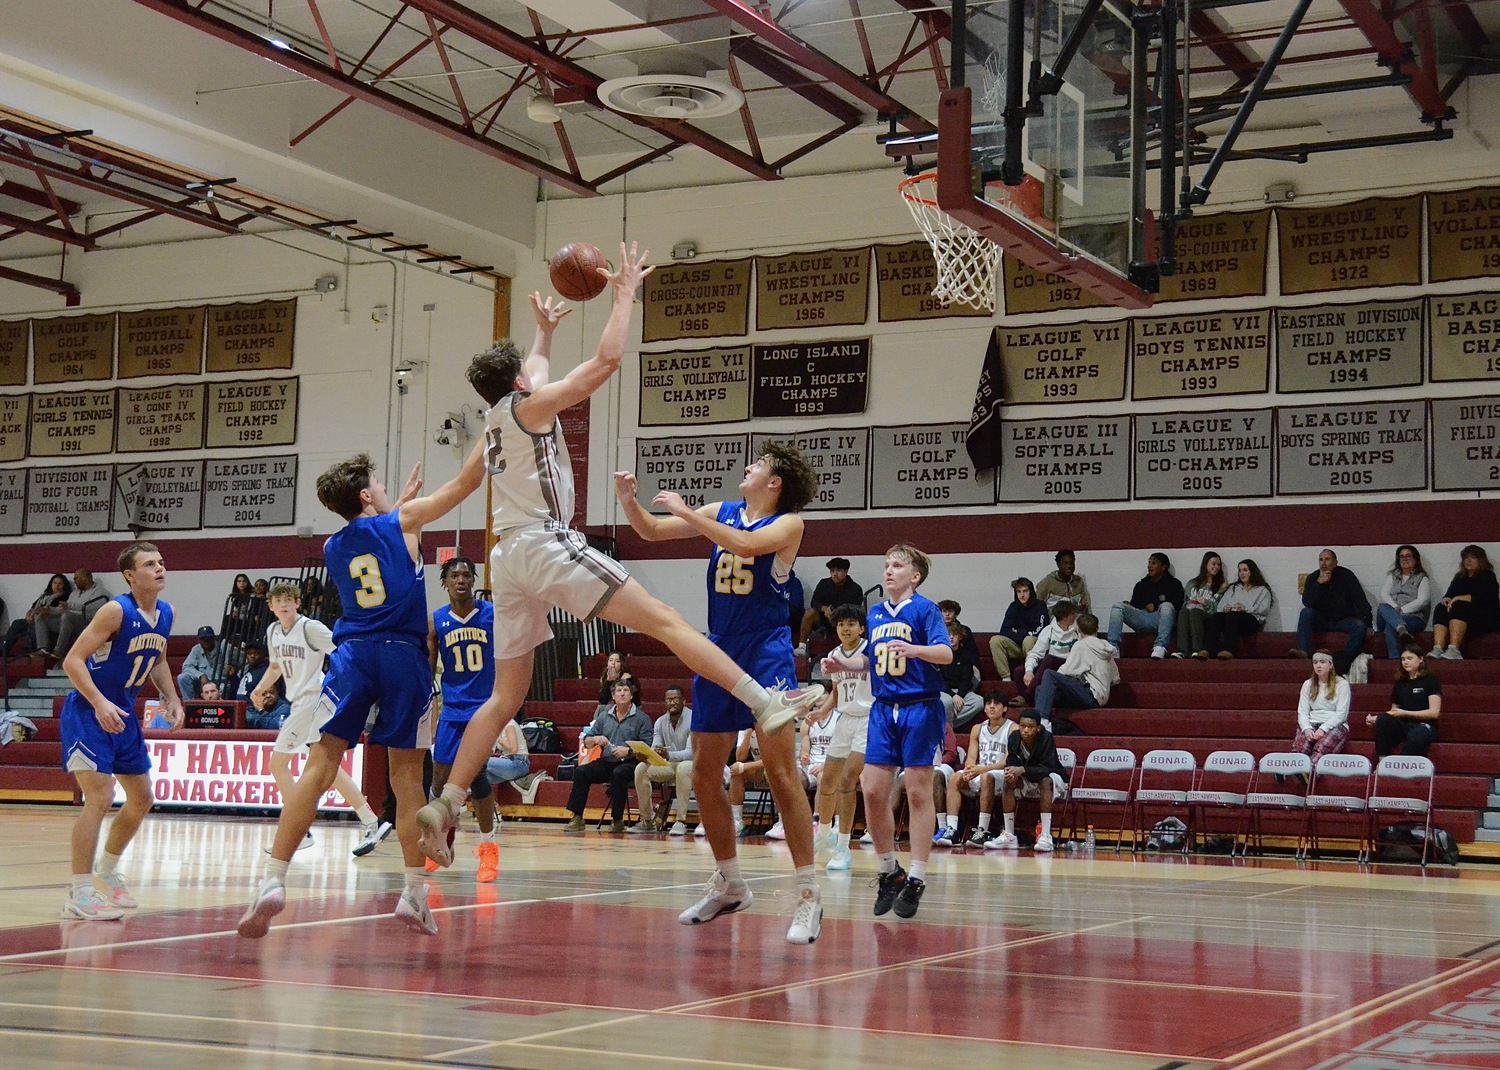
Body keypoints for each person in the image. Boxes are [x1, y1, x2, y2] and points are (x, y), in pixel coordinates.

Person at [414, 248, 823, 922]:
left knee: (505, 694)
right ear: (519, 381)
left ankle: (450, 800)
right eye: (529, 367)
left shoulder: (493, 420)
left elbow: (537, 372)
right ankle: (766, 702)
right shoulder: (534, 406)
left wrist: (544, 330)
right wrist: (624, 292)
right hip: (545, 544)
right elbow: (602, 365)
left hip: (504, 560)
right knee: (663, 618)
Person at [236, 441, 487, 940]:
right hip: (403, 656)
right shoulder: (404, 520)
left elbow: (375, 540)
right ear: (366, 494)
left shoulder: (333, 546)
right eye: (379, 483)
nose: (387, 489)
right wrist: (494, 424)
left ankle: (273, 879)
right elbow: (467, 482)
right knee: (407, 777)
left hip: (353, 654)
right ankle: (414, 893)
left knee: (321, 765)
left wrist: (394, 510)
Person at [611, 437, 826, 944]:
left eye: (758, 465)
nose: (746, 468)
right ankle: (729, 881)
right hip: (718, 648)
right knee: (705, 771)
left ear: (774, 483)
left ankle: (809, 896)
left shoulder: (789, 522)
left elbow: (746, 546)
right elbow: (651, 530)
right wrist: (628, 501)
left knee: (780, 771)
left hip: (766, 649)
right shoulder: (723, 509)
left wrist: (690, 512)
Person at [58, 542, 184, 920]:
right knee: (99, 797)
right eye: (149, 564)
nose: (159, 568)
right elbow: (72, 660)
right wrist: (99, 702)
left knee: (142, 797)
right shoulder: (115, 610)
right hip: (88, 711)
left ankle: (108, 874)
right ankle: (79, 892)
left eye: (161, 562)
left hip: (123, 714)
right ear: (130, 575)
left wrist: (171, 697)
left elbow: (157, 658)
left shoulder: (166, 612)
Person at [861, 543, 953, 920]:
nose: (888, 571)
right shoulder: (875, 613)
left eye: (896, 566)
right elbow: (869, 659)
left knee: (917, 792)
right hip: (883, 709)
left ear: (914, 576)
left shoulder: (926, 610)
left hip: (919, 706)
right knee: (871, 790)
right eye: (885, 565)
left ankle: (916, 876)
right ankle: (888, 870)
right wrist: (842, 663)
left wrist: (916, 650)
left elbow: (945, 654)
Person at [426, 556, 502, 880]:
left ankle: (488, 849)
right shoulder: (436, 621)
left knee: (477, 776)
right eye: (454, 575)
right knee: (440, 782)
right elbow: (428, 670)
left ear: (473, 580)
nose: (461, 579)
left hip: (483, 709)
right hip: (452, 708)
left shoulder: (491, 614)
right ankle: (443, 839)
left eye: (466, 575)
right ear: (445, 582)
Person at [814, 604, 873, 872]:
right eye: (840, 624)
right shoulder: (834, 654)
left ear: (861, 627)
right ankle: (824, 835)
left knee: (848, 780)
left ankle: (843, 847)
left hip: (868, 721)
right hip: (844, 721)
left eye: (851, 623)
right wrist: (821, 713)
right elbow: (837, 693)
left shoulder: (871, 650)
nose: (845, 628)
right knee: (827, 780)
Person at [566, 680, 651, 833]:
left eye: (626, 690)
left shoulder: (642, 718)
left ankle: (617, 820)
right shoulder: (604, 716)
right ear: (613, 695)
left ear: (632, 695)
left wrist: (629, 751)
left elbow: (648, 747)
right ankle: (577, 816)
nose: (622, 693)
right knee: (581, 772)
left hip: (631, 762)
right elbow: (587, 741)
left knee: (619, 774)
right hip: (607, 761)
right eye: (619, 690)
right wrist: (595, 739)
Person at [985, 708, 1069, 852]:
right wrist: (1011, 771)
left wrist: (1023, 770)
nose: (1025, 730)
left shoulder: (1046, 738)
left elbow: (1048, 767)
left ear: (1038, 728)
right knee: (1008, 780)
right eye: (1023, 726)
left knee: (1045, 780)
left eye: (1030, 727)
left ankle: (1046, 835)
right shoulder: (1014, 737)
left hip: (1054, 777)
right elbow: (1011, 760)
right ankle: (1009, 835)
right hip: (1029, 777)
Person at [935, 693, 1013, 848]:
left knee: (986, 777)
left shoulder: (1012, 728)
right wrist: (970, 768)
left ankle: (982, 830)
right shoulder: (977, 728)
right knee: (956, 777)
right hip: (981, 771)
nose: (991, 706)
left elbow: (1007, 761)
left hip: (1000, 774)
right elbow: (971, 757)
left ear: (1004, 708)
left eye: (996, 703)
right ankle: (953, 830)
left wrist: (981, 769)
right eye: (988, 703)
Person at [627, 684, 694, 835]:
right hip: (670, 764)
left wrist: (668, 755)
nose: (672, 703)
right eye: (668, 700)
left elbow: (691, 753)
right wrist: (646, 755)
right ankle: (647, 820)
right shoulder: (660, 722)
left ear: (684, 700)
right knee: (641, 768)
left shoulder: (693, 719)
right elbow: (655, 747)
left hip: (693, 764)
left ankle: (681, 821)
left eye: (676, 699)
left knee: (684, 767)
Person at [1033, 613, 1119, 730]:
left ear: (1078, 629)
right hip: (1100, 697)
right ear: (1097, 628)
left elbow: (1065, 671)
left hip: (1090, 695)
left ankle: (1042, 722)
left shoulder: (1081, 645)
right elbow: (1115, 679)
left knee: (1049, 675)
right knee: (1041, 691)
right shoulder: (1105, 648)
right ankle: (1052, 727)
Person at [1292, 548, 1371, 673]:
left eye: (1327, 559)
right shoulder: (1313, 578)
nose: (1323, 563)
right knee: (1305, 613)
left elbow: (1361, 600)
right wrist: (1319, 583)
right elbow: (1307, 603)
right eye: (1321, 559)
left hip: (1343, 620)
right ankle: (1303, 651)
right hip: (1321, 620)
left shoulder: (1346, 576)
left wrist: (1368, 624)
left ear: (1335, 562)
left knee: (1360, 626)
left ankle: (1346, 657)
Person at [1367, 644, 1441, 757]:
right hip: (1403, 724)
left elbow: (1434, 713)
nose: (1405, 662)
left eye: (1409, 658)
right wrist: (1376, 718)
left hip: (1424, 725)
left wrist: (1405, 713)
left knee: (1417, 734)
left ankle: (1402, 765)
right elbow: (1394, 711)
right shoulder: (1400, 683)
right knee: (1383, 720)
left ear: (1420, 659)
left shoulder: (1430, 681)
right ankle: (1383, 761)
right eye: (1403, 659)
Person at [1106, 552, 1183, 659]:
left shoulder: (1174, 584)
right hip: (1142, 618)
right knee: (1117, 606)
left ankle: (1160, 646)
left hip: (1160, 620)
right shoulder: (1141, 585)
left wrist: (1156, 605)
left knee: (1167, 606)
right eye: (1149, 562)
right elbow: (1135, 604)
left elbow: (1178, 606)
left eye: (1154, 563)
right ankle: (1113, 647)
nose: (1149, 566)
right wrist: (1129, 606)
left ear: (1164, 567)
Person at [1430, 545, 1500, 660]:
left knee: (1459, 606)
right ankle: (1438, 648)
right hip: (1464, 616)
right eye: (1466, 557)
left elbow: (1485, 598)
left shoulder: (1488, 576)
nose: (1468, 560)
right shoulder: (1460, 577)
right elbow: (1450, 593)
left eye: (1472, 557)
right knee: (1441, 607)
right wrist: (1446, 599)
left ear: (1481, 560)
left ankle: (1454, 649)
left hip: (1485, 618)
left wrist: (1459, 598)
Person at [38, 568, 112, 664]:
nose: (74, 581)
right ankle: (43, 649)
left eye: (76, 578)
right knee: (41, 616)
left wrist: (68, 606)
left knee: (67, 615)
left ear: (85, 578)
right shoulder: (74, 593)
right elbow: (63, 609)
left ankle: (58, 651)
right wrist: (49, 610)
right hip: (68, 622)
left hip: (87, 623)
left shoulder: (99, 591)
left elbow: (91, 608)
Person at [1291, 650, 1351, 765]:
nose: (1318, 665)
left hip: (1335, 724)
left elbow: (1341, 714)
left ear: (1331, 665)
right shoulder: (1308, 684)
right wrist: (1306, 728)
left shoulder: (1342, 684)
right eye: (1315, 662)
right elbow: (1302, 712)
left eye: (1323, 662)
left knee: (1322, 749)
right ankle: (1290, 769)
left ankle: (1309, 772)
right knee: (1300, 748)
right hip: (1312, 722)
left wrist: (1323, 729)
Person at [1015, 599, 1080, 705]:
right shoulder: (1048, 630)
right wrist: (1029, 671)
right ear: (1064, 617)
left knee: (1049, 659)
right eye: (1072, 614)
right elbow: (1035, 653)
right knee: (1019, 671)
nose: (1075, 616)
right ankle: (1031, 704)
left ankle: (1026, 696)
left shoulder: (1078, 631)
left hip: (1069, 665)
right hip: (1049, 666)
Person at [1206, 559, 1273, 660]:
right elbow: (1220, 606)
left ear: (1252, 572)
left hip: (1252, 620)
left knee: (1234, 616)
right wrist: (1225, 608)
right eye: (1240, 570)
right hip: (1231, 618)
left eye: (1245, 570)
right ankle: (1209, 650)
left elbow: (1263, 609)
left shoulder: (1262, 590)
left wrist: (1245, 608)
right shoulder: (1233, 588)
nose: (1242, 573)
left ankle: (1229, 650)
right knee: (1216, 617)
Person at [1375, 545, 1430, 658]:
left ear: (1416, 559)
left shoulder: (1422, 578)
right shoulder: (1393, 576)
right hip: (1391, 614)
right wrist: (1395, 609)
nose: (1405, 559)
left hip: (1413, 617)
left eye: (1408, 556)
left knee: (1391, 626)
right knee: (1382, 607)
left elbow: (1423, 600)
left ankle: (1394, 659)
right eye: (1402, 556)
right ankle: (1401, 629)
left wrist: (1402, 611)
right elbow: (1383, 594)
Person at [988, 577, 1049, 679]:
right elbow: (1004, 630)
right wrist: (1022, 636)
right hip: (1017, 645)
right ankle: (1006, 678)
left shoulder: (1040, 606)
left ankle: (1030, 674)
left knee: (1028, 640)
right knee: (995, 640)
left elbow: (1042, 630)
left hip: (1034, 644)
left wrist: (1019, 632)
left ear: (1031, 591)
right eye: (1019, 592)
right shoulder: (1013, 606)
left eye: (1025, 591)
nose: (1022, 595)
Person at [799, 557, 862, 650]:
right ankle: (802, 647)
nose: (835, 574)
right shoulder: (824, 584)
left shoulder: (855, 589)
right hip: (824, 619)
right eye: (832, 571)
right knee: (810, 612)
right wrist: (824, 609)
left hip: (843, 620)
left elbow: (854, 610)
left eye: (839, 570)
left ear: (846, 572)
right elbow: (814, 602)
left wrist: (836, 614)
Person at [1175, 553, 1228, 659]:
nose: (1216, 567)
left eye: (1218, 565)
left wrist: (1206, 602)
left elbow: (1220, 607)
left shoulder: (1222, 585)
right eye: (1213, 564)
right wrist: (1193, 602)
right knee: (1183, 612)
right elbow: (1185, 602)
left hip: (1209, 616)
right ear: (1205, 564)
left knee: (1195, 612)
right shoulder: (1192, 583)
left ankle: (1196, 649)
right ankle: (1182, 650)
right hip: (1191, 611)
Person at [5, 573, 70, 656]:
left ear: (64, 585)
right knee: (17, 623)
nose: (57, 585)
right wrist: (28, 615)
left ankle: (28, 650)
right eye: (55, 583)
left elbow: (60, 612)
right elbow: (32, 608)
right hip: (35, 617)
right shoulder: (44, 596)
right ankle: (4, 650)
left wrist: (44, 612)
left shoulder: (65, 597)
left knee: (36, 622)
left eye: (60, 583)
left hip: (50, 622)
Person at [939, 620, 984, 732]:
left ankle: (949, 724)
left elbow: (966, 679)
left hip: (961, 691)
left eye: (954, 635)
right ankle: (948, 732)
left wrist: (959, 696)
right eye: (948, 634)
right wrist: (953, 696)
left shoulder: (966, 655)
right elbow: (938, 680)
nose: (951, 637)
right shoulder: (939, 654)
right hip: (945, 691)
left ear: (960, 637)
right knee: (946, 703)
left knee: (979, 701)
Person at [177, 625, 227, 699]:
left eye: (208, 639)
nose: (206, 642)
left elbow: (241, 665)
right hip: (202, 683)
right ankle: (189, 705)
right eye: (203, 639)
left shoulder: (225, 648)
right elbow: (186, 667)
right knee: (182, 677)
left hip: (219, 683)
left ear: (214, 638)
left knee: (223, 688)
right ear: (199, 640)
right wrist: (201, 675)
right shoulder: (196, 649)